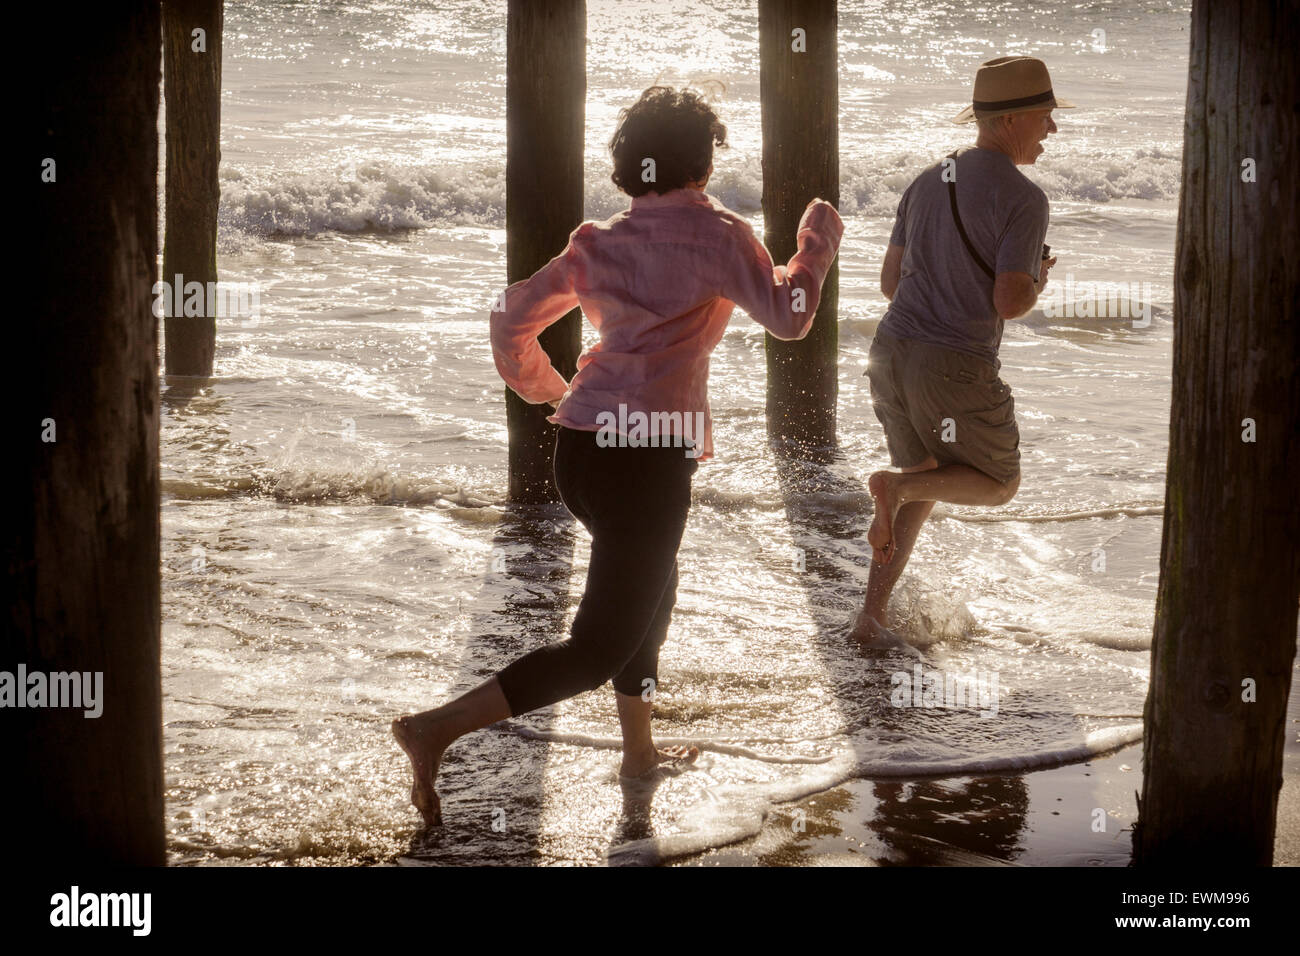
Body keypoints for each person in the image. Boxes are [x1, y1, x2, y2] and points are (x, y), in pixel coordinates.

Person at [393, 86, 843, 826]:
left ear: (631, 166)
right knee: (600, 644)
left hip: (581, 454)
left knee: (652, 591)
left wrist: (553, 391)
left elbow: (509, 320)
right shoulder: (721, 237)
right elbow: (790, 317)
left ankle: (639, 754)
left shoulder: (595, 242)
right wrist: (817, 243)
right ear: (703, 162)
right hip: (649, 463)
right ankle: (434, 729)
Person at [851, 56, 1073, 641]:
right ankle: (894, 486)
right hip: (952, 363)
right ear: (1013, 120)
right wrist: (1038, 280)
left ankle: (871, 617)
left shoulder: (927, 180)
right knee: (999, 482)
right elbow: (1009, 301)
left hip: (890, 352)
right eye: (1046, 117)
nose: (1051, 130)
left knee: (925, 476)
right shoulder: (1025, 200)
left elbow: (890, 285)